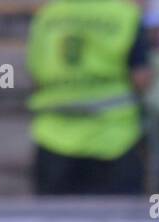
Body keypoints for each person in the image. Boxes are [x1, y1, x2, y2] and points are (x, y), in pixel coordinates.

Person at [27, 0, 152, 195]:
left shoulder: (47, 15)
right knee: (120, 220)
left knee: (54, 221)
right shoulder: (125, 15)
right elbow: (141, 78)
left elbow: (35, 72)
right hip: (114, 137)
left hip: (55, 135)